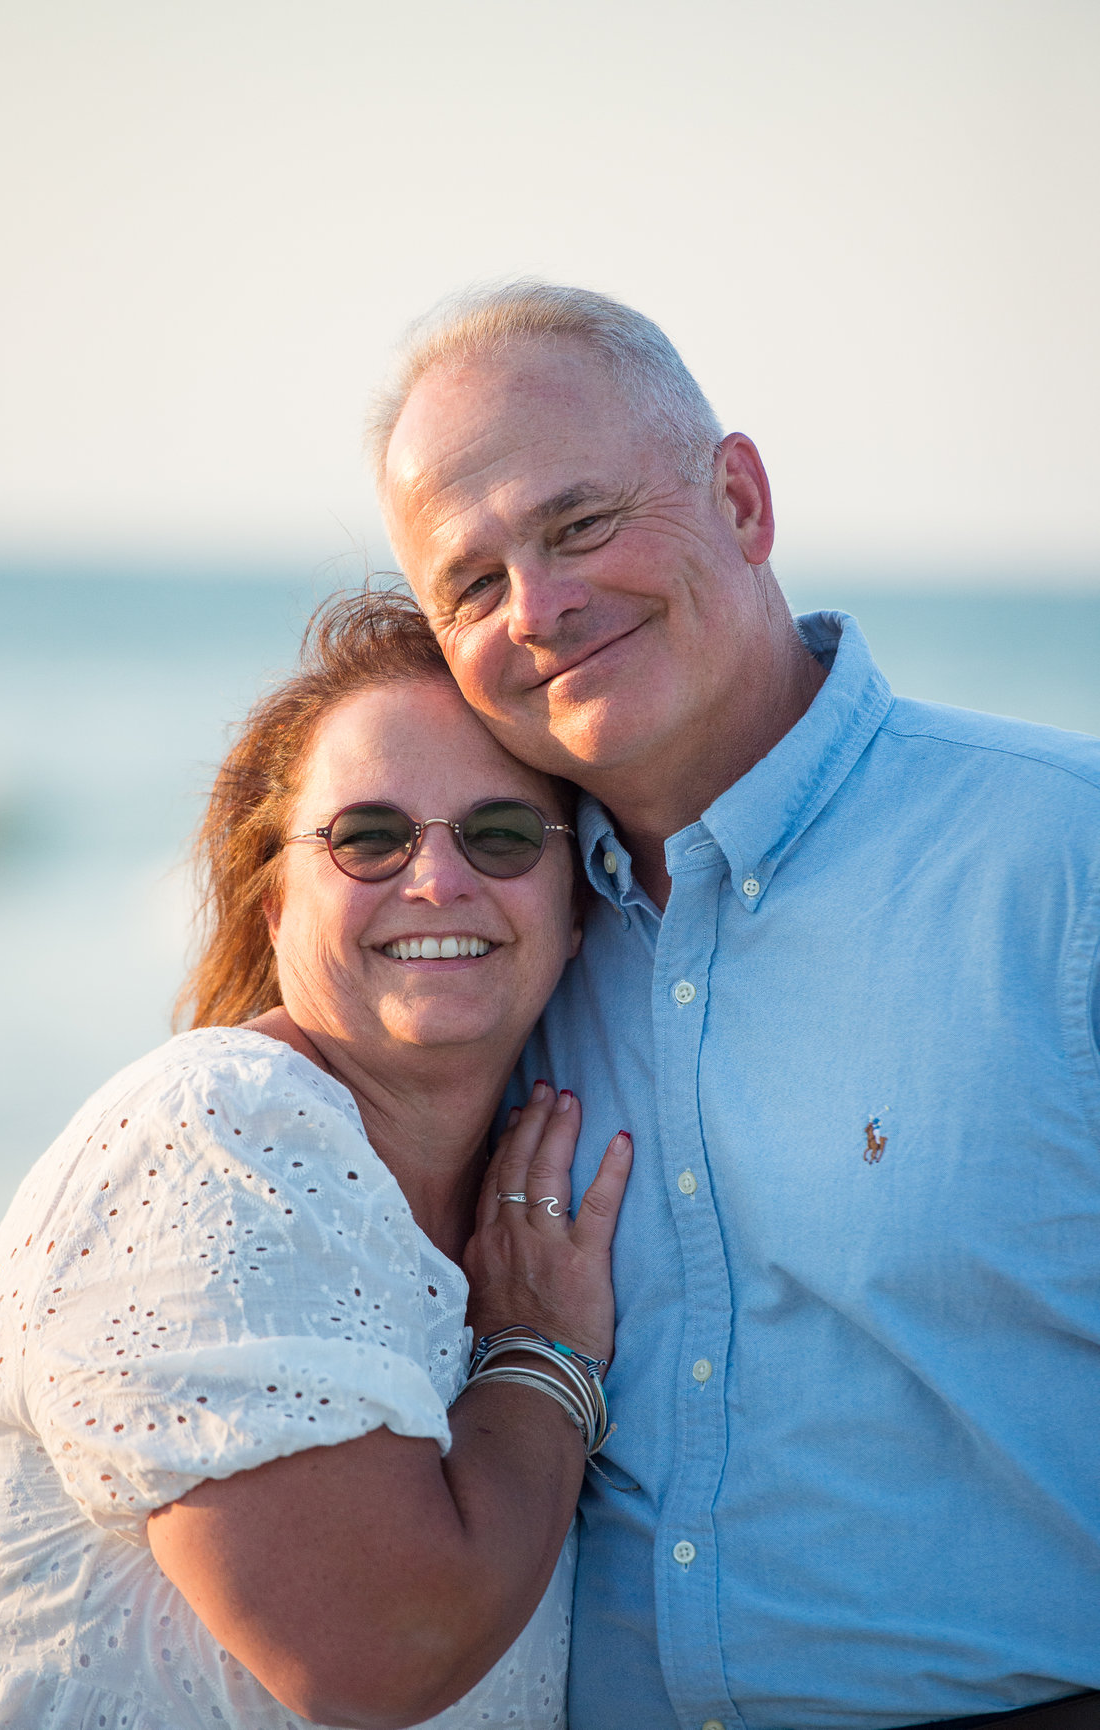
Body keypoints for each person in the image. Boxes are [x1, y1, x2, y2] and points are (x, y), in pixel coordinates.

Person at [366, 282, 1100, 1730]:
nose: (539, 608)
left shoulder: (1059, 861)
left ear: (741, 500)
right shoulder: (483, 943)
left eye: (578, 525)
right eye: (470, 583)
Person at [0, 591, 633, 1730]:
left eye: (502, 833)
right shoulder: (212, 1136)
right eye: (369, 835)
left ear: (574, 909)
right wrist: (543, 1355)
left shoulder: (512, 1214)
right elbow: (377, 1647)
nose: (437, 878)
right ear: (274, 904)